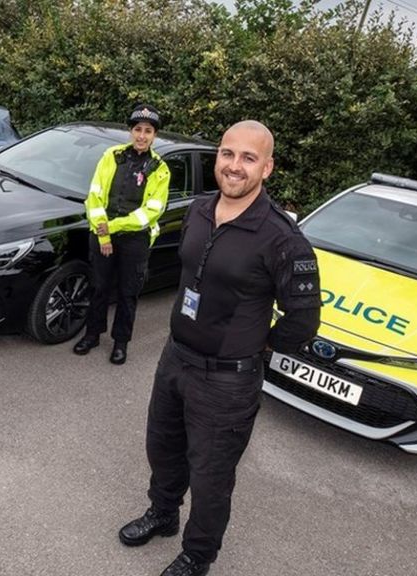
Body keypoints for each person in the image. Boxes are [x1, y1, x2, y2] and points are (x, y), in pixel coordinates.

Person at [117, 121, 320, 576]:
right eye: (228, 154)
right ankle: (163, 514)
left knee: (211, 478)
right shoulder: (201, 209)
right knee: (162, 449)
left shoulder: (283, 239)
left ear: (267, 168)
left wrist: (257, 344)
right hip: (175, 359)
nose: (234, 165)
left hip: (227, 382)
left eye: (249, 158)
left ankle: (197, 556)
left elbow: (304, 320)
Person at [75, 104, 171, 364]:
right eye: (138, 129)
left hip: (135, 239)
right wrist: (104, 235)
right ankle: (92, 334)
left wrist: (113, 228)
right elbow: (94, 196)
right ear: (130, 131)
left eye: (148, 131)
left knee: (128, 293)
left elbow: (151, 211)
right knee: (99, 287)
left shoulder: (159, 169)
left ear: (154, 136)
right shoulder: (111, 155)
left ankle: (120, 343)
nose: (142, 135)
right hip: (102, 233)